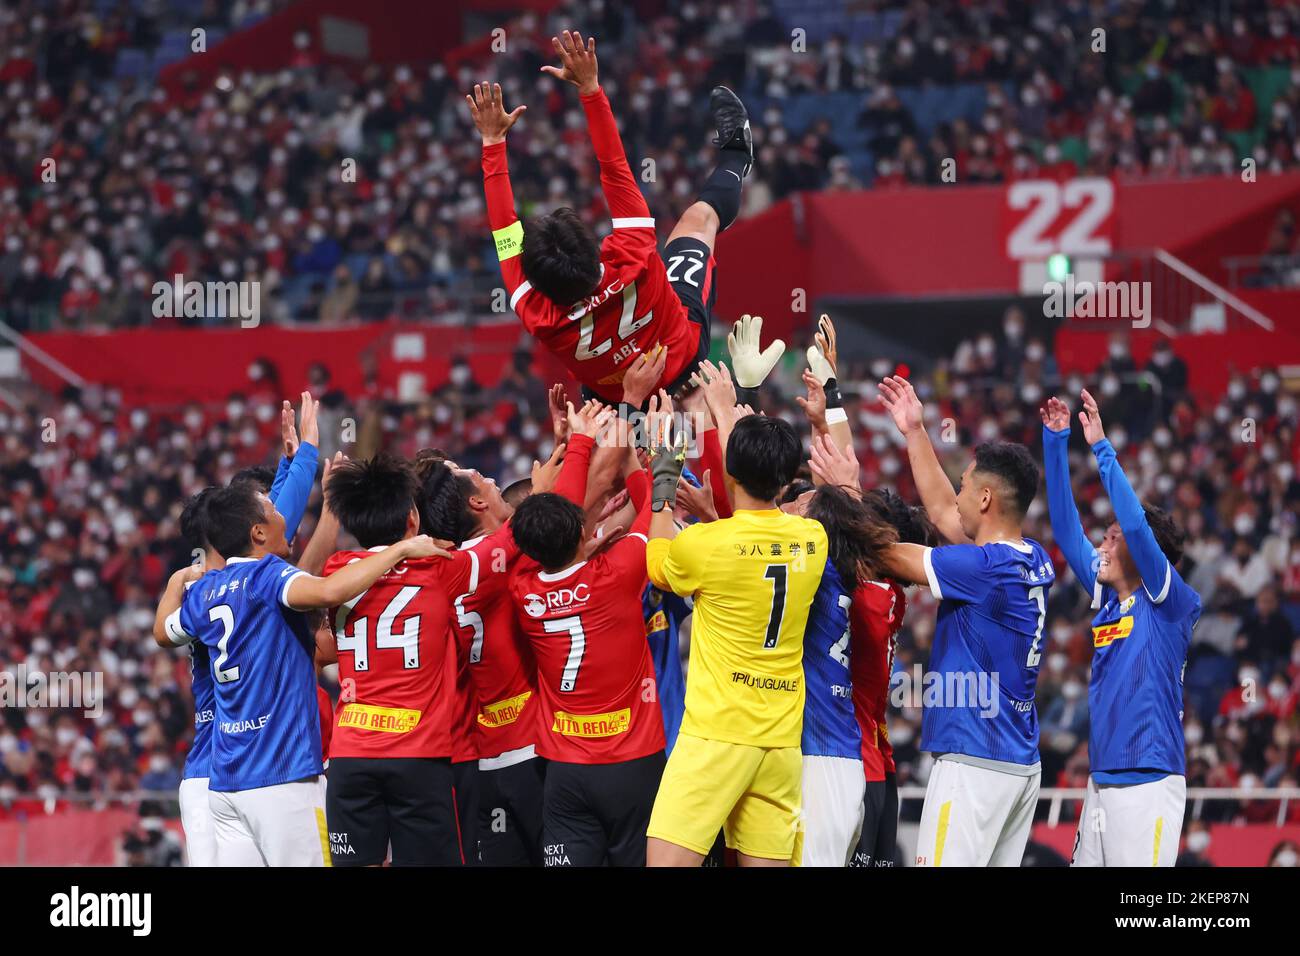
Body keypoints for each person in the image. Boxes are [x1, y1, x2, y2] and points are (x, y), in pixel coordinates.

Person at [154, 480, 446, 866]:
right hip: (281, 776)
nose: (283, 518)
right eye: (273, 512)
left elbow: (162, 633)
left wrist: (177, 580)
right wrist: (403, 548)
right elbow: (328, 592)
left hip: (226, 786)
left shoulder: (207, 590)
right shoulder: (268, 576)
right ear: (257, 532)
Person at [468, 30, 764, 404]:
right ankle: (737, 155)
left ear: (538, 281)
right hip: (682, 358)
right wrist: (590, 89)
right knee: (699, 218)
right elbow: (614, 167)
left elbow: (503, 233)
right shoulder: (633, 252)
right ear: (594, 250)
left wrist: (492, 146)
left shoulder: (535, 310)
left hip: (615, 396)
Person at [875, 375, 1054, 867]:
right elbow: (939, 511)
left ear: (985, 499)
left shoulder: (983, 568)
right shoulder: (1032, 558)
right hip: (1017, 762)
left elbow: (890, 555)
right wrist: (914, 431)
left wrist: (837, 495)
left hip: (975, 759)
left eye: (964, 485)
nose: (955, 495)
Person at [645, 396, 828, 867]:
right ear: (788, 479)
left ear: (728, 469)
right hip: (782, 743)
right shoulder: (814, 539)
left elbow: (657, 563)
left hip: (717, 737)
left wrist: (664, 470)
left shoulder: (706, 545)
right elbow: (756, 539)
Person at [1041, 390, 1201, 867]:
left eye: (1112, 538)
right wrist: (1055, 442)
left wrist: (1102, 448)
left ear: (1140, 547)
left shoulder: (1169, 600)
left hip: (1149, 780)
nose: (1102, 545)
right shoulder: (1110, 597)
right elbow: (1067, 528)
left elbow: (1133, 522)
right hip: (1101, 779)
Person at [508, 411, 666, 866]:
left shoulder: (521, 587)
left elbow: (562, 509)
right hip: (633, 762)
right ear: (583, 532)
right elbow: (655, 504)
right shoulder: (618, 574)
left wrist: (579, 442)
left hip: (564, 768)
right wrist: (632, 464)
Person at [794, 485, 895, 866]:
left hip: (824, 762)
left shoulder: (811, 578)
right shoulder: (846, 582)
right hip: (844, 758)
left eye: (802, 512)